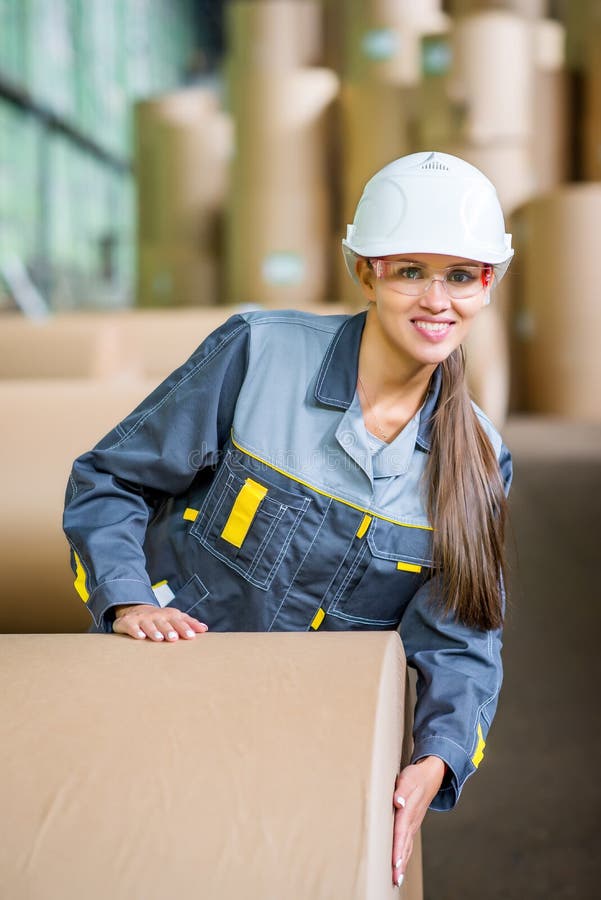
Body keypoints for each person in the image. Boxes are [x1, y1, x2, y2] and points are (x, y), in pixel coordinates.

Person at [63, 150, 514, 889]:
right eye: (409, 271)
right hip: (161, 700)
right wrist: (125, 597)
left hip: (308, 749)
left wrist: (437, 756)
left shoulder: (478, 460)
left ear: (487, 284)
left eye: (459, 275)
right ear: (364, 271)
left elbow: (462, 641)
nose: (436, 299)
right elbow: (107, 479)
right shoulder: (259, 353)